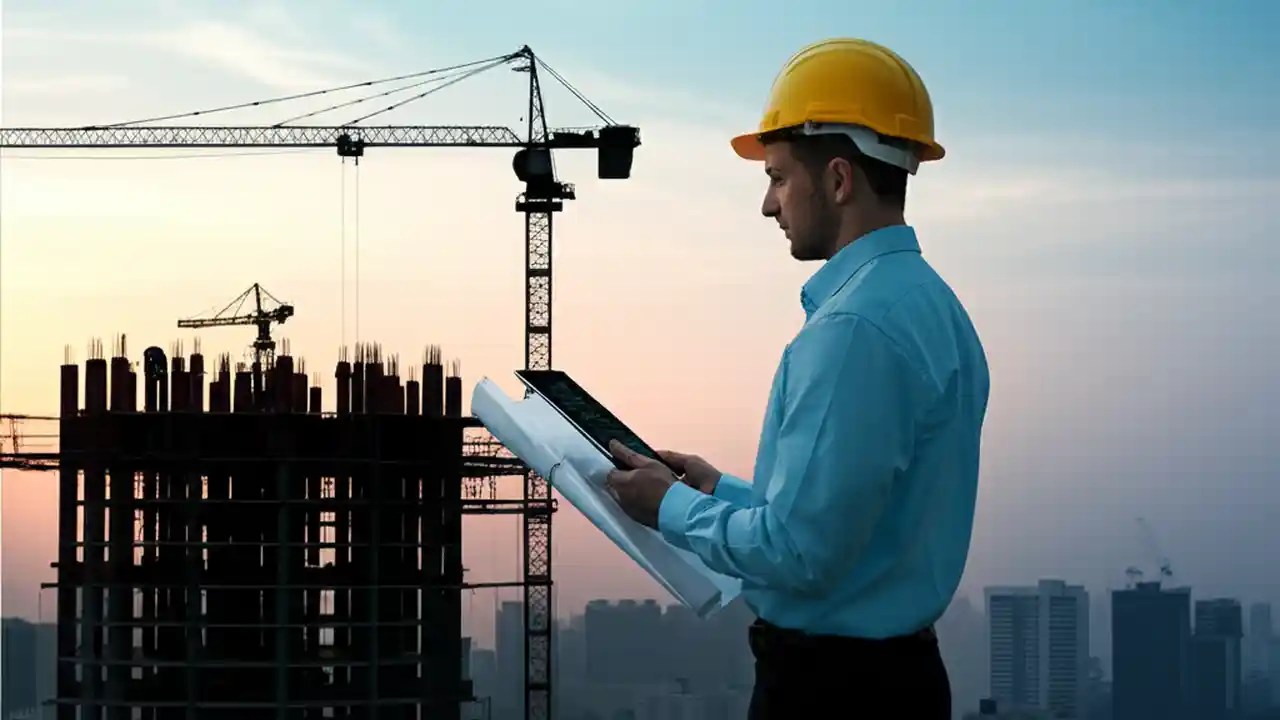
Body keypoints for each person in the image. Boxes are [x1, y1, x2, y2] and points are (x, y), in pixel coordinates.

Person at [604, 37, 990, 718]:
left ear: (838, 181)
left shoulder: (853, 331)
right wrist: (722, 491)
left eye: (778, 177)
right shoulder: (934, 307)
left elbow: (801, 554)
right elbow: (856, 525)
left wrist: (666, 506)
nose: (768, 205)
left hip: (833, 691)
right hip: (896, 681)